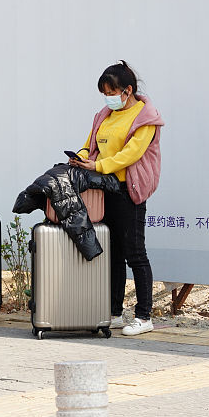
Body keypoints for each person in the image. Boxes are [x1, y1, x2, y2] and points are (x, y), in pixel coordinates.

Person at [67, 60, 164, 337]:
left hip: (128, 191)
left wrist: (97, 166)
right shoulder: (105, 114)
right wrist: (81, 158)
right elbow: (91, 145)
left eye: (111, 92)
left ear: (127, 90)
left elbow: (131, 154)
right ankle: (116, 313)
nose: (108, 98)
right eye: (105, 94)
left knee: (135, 254)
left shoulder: (146, 117)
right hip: (104, 189)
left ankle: (144, 316)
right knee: (114, 255)